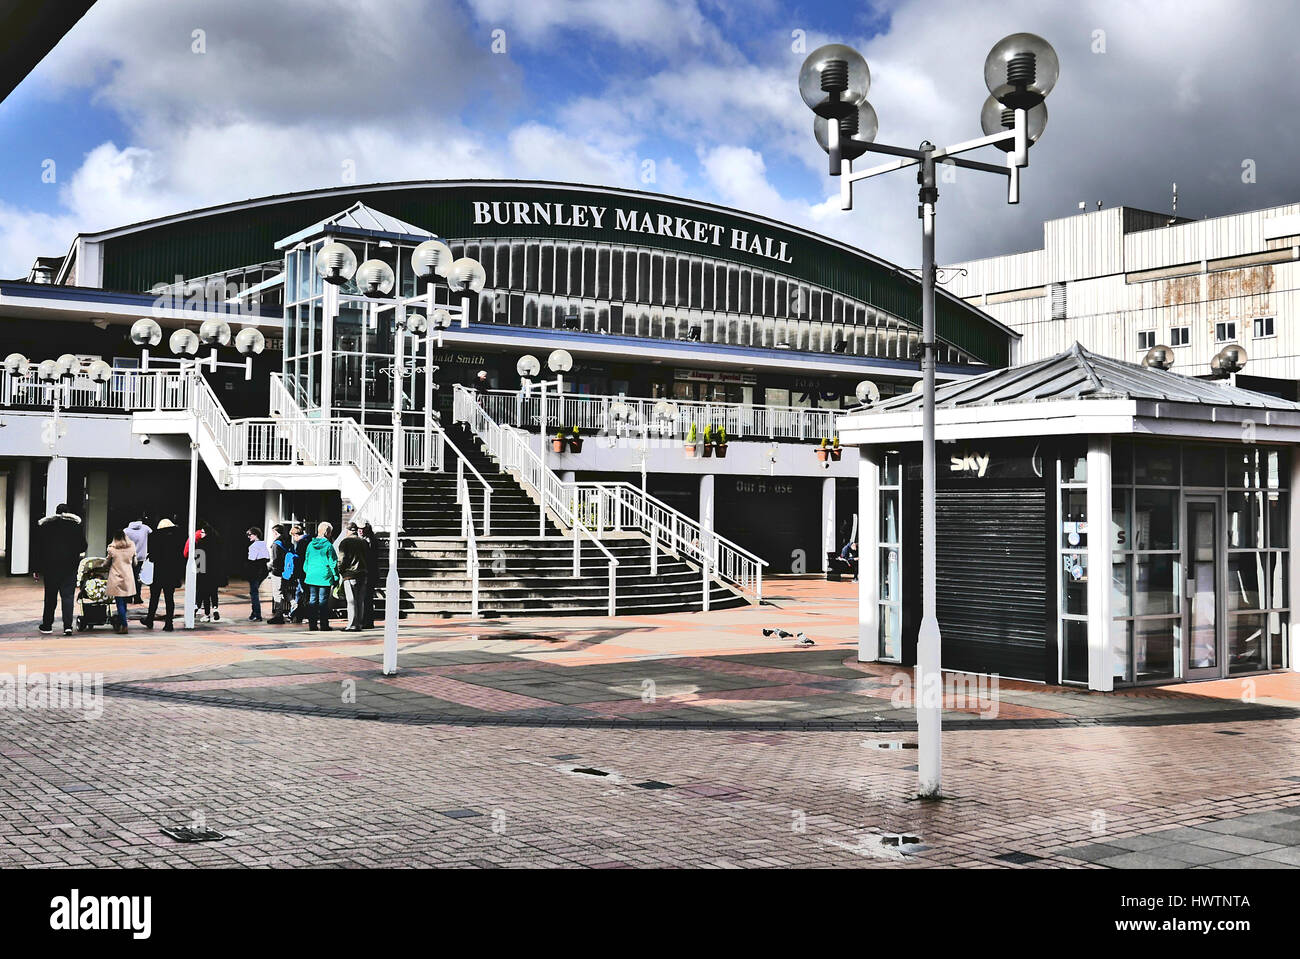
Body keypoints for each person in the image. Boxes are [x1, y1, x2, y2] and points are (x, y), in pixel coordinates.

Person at [34, 503, 87, 636]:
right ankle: (67, 626)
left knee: (50, 597)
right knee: (68, 597)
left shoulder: (46, 526)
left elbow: (38, 549)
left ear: (56, 512)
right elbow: (83, 546)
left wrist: (36, 568)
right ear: (68, 512)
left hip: (50, 568)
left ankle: (47, 626)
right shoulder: (76, 526)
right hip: (69, 567)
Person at [143, 517, 185, 631]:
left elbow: (152, 556)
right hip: (171, 574)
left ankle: (150, 619)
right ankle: (169, 623)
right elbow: (180, 558)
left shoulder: (155, 537)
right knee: (169, 599)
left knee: (154, 598)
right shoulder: (177, 538)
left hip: (158, 573)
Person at [185, 521, 228, 622]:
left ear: (207, 533)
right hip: (215, 572)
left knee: (205, 594)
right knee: (214, 592)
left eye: (203, 532)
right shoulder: (217, 543)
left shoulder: (201, 544)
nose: (201, 534)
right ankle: (215, 608)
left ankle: (207, 614)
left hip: (204, 572)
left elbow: (199, 559)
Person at [301, 522, 340, 631]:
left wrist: (308, 572)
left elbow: (306, 560)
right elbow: (333, 563)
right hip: (324, 577)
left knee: (312, 600)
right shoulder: (328, 546)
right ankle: (324, 625)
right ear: (327, 532)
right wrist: (336, 577)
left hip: (312, 576)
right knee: (323, 602)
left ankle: (312, 625)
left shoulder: (310, 545)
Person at [336, 523, 369, 631]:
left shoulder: (345, 542)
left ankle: (352, 624)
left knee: (351, 601)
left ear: (348, 530)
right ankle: (359, 623)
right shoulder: (364, 542)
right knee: (360, 601)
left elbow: (342, 558)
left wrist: (340, 570)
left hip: (350, 574)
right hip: (363, 574)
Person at [105, 530, 137, 634]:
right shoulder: (131, 547)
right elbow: (135, 563)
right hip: (128, 577)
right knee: (124, 602)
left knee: (119, 603)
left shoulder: (112, 549)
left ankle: (124, 625)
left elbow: (107, 563)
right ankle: (122, 621)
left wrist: (102, 566)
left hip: (116, 577)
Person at [266, 524, 296, 625]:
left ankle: (279, 616)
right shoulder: (288, 543)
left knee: (277, 594)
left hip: (278, 573)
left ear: (275, 533)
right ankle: (295, 605)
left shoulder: (276, 544)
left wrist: (270, 570)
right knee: (284, 591)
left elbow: (275, 560)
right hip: (287, 572)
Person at [245, 526, 271, 621]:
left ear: (255, 535)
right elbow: (267, 558)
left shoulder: (253, 546)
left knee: (254, 593)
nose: (248, 537)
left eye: (250, 534)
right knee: (254, 591)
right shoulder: (263, 544)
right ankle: (254, 613)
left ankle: (257, 614)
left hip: (255, 571)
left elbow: (251, 560)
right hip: (263, 570)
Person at [124, 516, 151, 604]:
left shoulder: (126, 531)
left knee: (129, 577)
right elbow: (152, 533)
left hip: (128, 557)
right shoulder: (145, 528)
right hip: (140, 557)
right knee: (138, 577)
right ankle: (137, 597)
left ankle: (128, 597)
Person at [289, 523, 310, 624]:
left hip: (301, 572)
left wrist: (295, 573)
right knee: (300, 592)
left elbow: (298, 560)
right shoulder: (309, 540)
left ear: (295, 535)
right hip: (307, 571)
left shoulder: (301, 543)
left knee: (303, 592)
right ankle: (296, 614)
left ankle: (300, 614)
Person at [359, 522, 378, 629]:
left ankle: (368, 621)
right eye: (359, 528)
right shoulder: (367, 540)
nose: (360, 530)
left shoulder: (370, 541)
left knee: (367, 598)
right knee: (366, 598)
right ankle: (366, 620)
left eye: (362, 528)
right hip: (368, 572)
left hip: (369, 573)